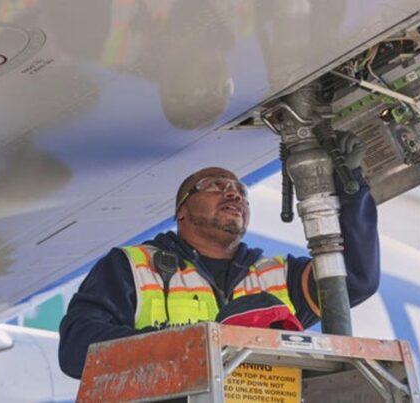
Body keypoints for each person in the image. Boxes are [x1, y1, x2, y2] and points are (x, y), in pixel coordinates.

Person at [58, 133, 379, 379]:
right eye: (215, 185)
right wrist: (193, 346)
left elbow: (357, 280)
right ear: (181, 211)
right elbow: (76, 350)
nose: (233, 193)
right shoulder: (132, 266)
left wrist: (351, 185)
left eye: (242, 192)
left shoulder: (279, 276)